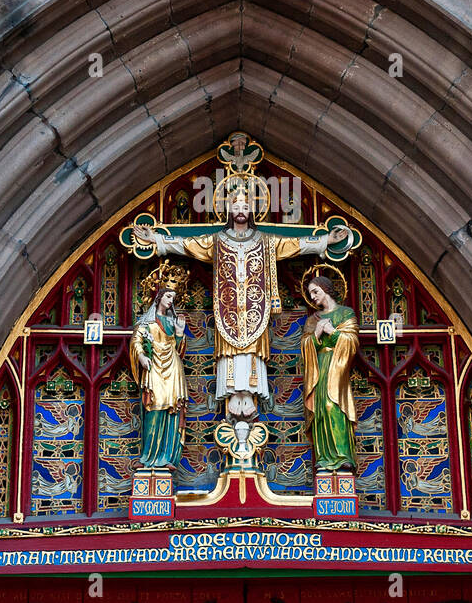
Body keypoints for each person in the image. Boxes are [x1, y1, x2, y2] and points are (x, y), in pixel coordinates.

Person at [135, 188, 348, 423]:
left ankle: (248, 394)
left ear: (252, 211)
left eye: (245, 207)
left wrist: (324, 241)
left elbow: (293, 245)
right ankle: (233, 394)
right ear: (229, 211)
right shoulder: (218, 241)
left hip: (256, 309)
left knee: (252, 352)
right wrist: (157, 239)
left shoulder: (265, 242)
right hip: (227, 310)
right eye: (236, 207)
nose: (240, 211)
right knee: (230, 352)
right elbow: (188, 245)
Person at [129, 263, 191, 470]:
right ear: (159, 297)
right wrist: (140, 356)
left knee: (172, 411)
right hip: (154, 366)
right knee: (154, 408)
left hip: (173, 368)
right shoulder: (147, 322)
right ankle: (149, 457)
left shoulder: (173, 322)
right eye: (168, 296)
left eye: (173, 298)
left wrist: (180, 333)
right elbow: (137, 340)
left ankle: (166, 456)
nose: (171, 301)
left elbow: (179, 350)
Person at [301, 274, 359, 474]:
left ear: (326, 289)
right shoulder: (312, 319)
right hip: (319, 367)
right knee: (321, 409)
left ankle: (343, 457)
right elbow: (305, 345)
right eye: (310, 294)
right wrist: (317, 333)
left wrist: (332, 332)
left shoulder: (345, 313)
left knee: (334, 406)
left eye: (316, 292)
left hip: (337, 367)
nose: (314, 297)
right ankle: (325, 458)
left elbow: (352, 341)